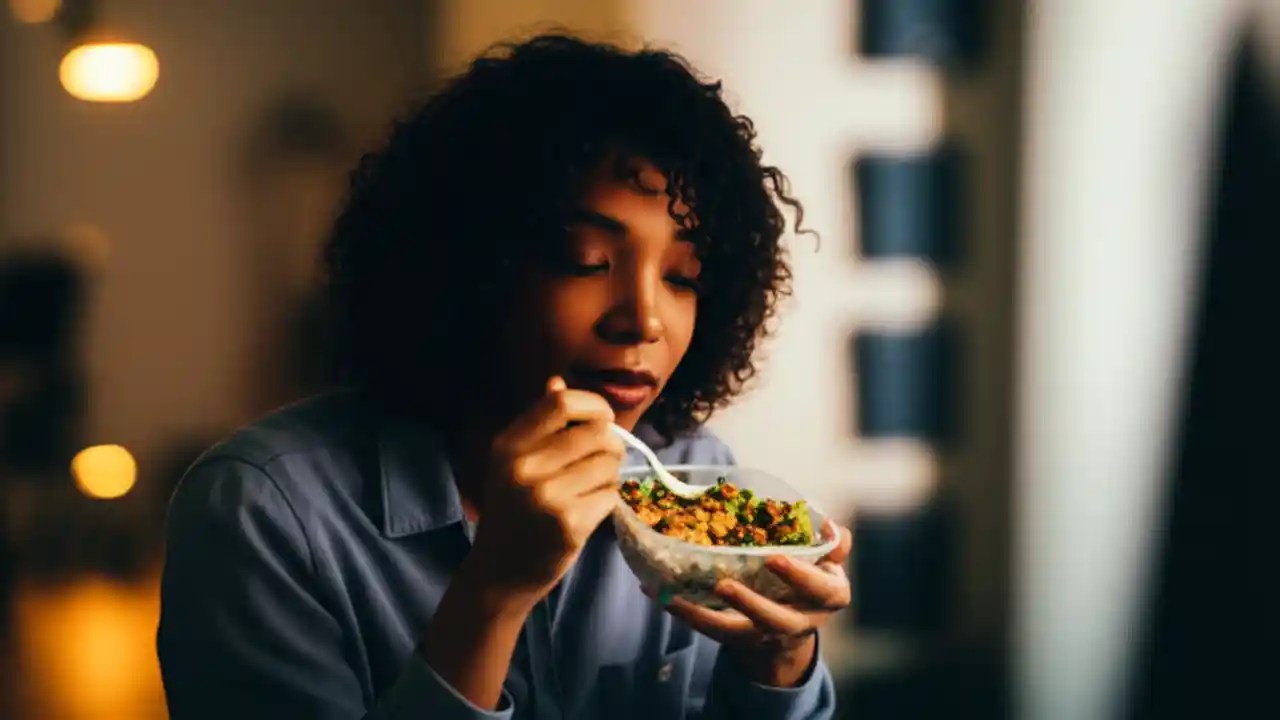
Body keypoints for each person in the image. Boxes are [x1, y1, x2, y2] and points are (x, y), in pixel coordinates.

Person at [157, 33, 852, 719]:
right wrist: (493, 593)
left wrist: (778, 663)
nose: (644, 320)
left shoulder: (692, 480)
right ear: (471, 265)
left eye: (683, 276)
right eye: (586, 260)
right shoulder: (265, 514)